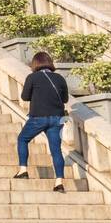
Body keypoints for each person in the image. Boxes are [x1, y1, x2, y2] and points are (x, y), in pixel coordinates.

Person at [14, 52, 68, 193]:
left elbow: (25, 97)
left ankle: (23, 170)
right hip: (57, 119)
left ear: (35, 63)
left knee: (22, 139)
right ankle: (59, 182)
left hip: (38, 117)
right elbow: (65, 99)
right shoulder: (60, 78)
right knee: (56, 150)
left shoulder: (32, 77)